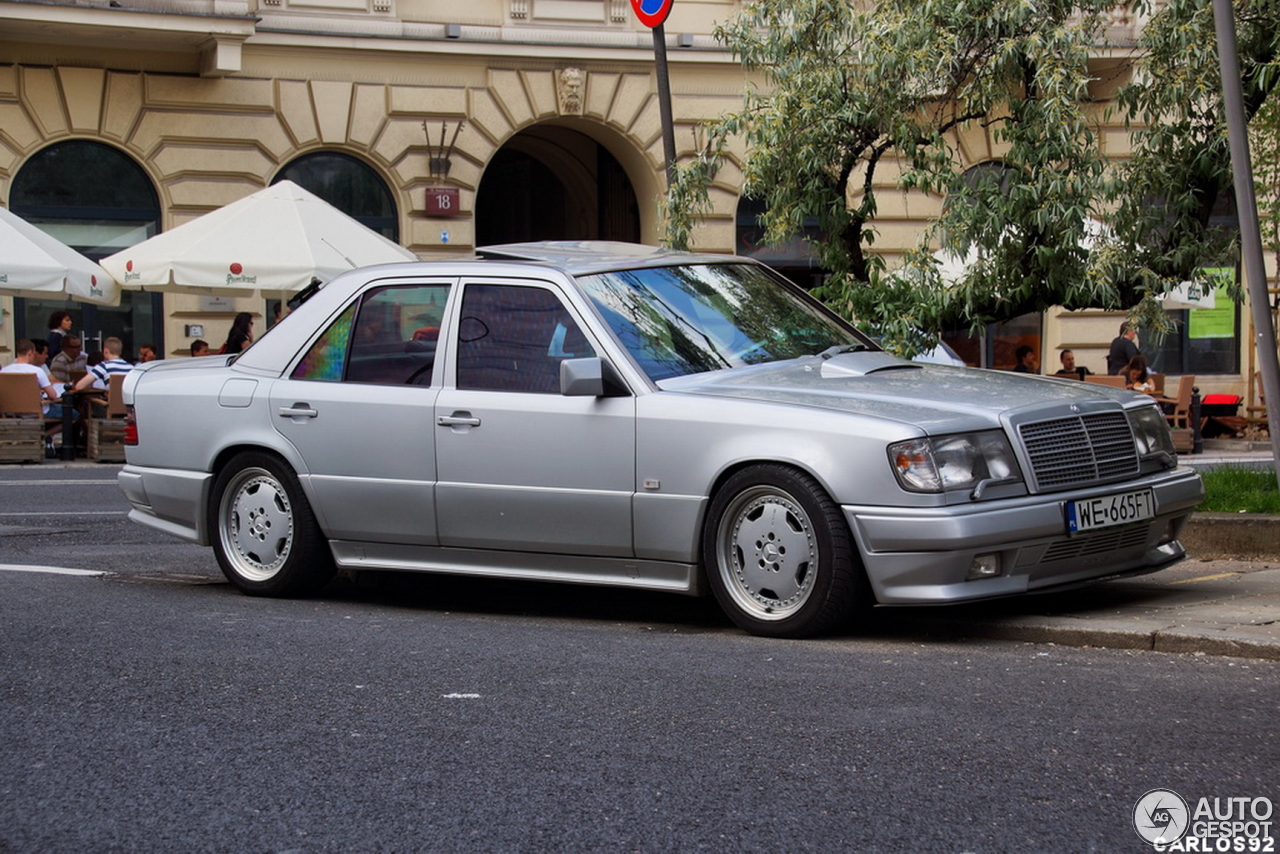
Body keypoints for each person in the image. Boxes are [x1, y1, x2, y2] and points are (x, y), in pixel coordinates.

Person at [2, 338, 74, 441]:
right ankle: (43, 436)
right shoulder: (37, 371)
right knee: (73, 414)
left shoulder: (3, 371)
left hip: (11, 412)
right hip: (37, 411)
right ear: (31, 353)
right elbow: (53, 396)